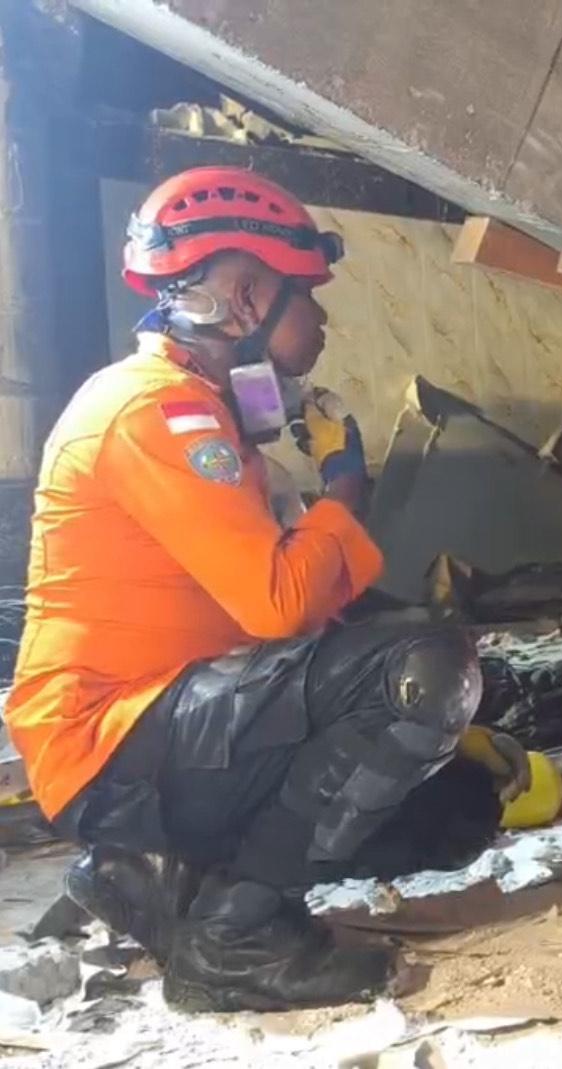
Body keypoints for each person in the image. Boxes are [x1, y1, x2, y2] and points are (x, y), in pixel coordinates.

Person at [3, 167, 523, 1013]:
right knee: (428, 668)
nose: (321, 320)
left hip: (173, 724)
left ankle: (159, 879)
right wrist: (344, 490)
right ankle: (238, 936)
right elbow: (280, 605)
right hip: (112, 737)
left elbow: (308, 609)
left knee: (454, 811)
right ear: (245, 298)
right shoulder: (158, 414)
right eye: (307, 296)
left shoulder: (205, 411)